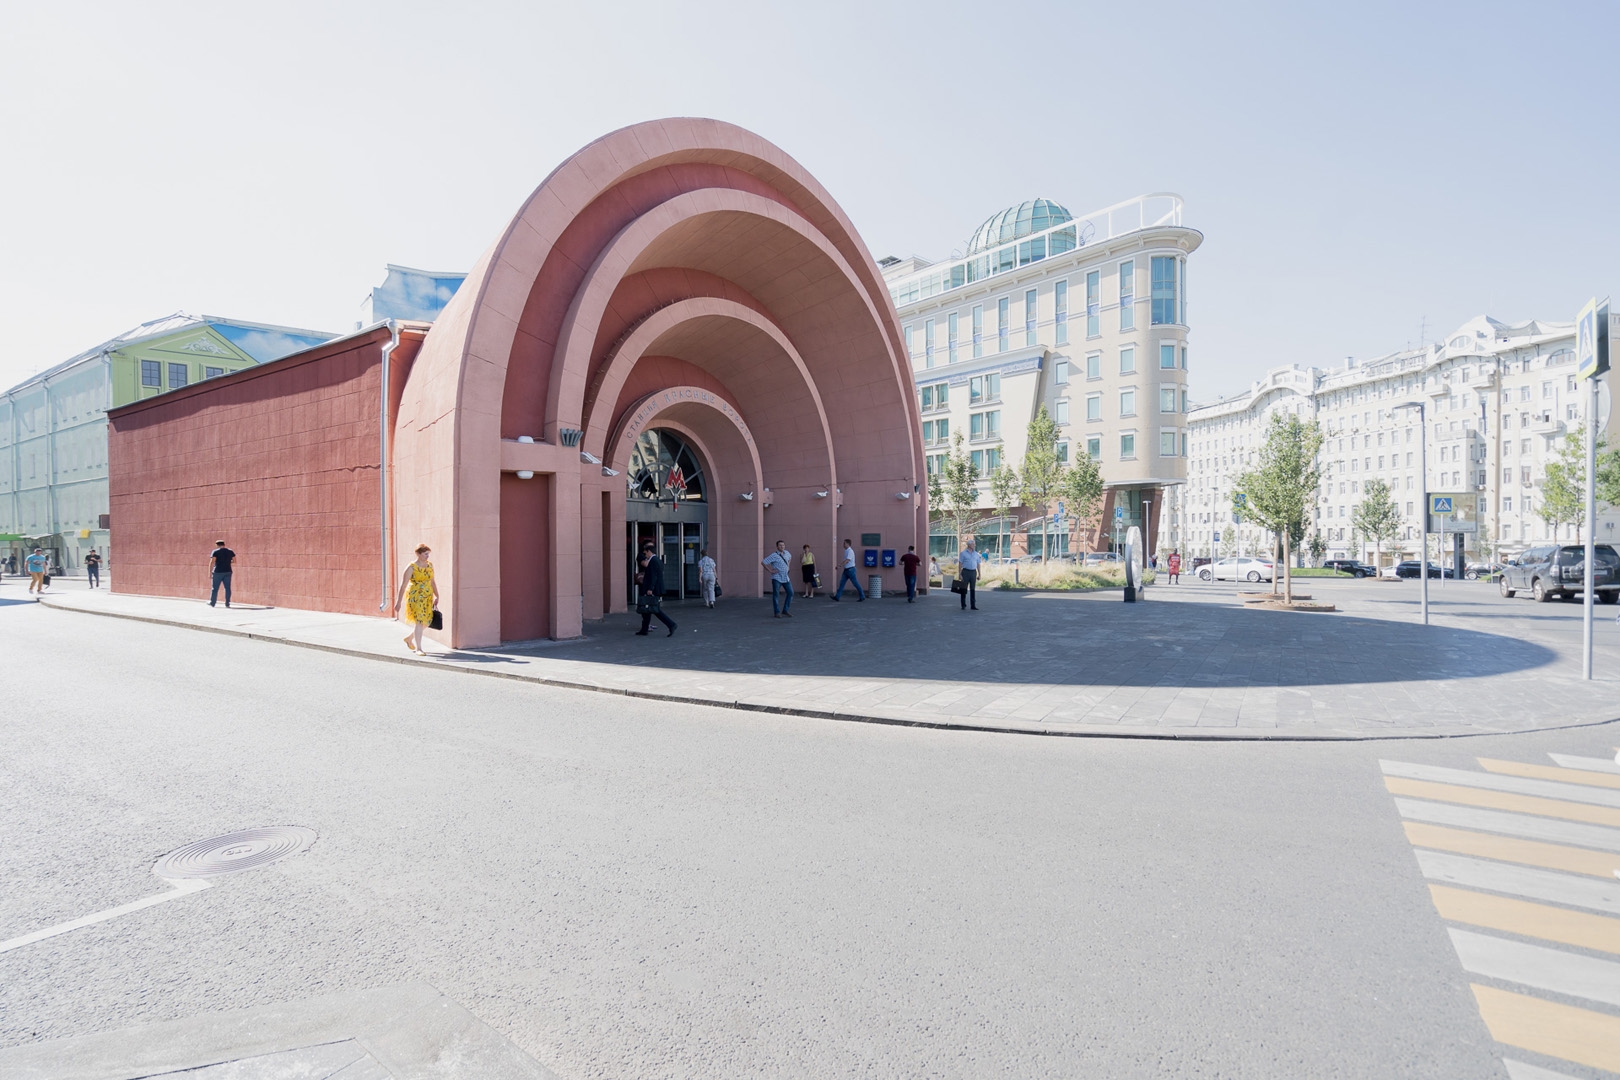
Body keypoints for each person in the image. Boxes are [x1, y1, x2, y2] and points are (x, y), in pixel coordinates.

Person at [393, 543, 439, 654]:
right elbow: (403, 585)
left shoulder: (430, 565)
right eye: (425, 554)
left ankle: (409, 638)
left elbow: (432, 582)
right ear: (418, 554)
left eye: (428, 554)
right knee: (419, 621)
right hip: (415, 597)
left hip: (427, 597)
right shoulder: (411, 567)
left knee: (427, 622)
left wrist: (437, 595)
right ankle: (419, 649)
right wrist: (398, 602)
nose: (427, 556)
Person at [635, 542, 678, 636]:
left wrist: (650, 589)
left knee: (655, 609)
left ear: (649, 551)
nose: (645, 555)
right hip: (654, 588)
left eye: (645, 553)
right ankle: (644, 630)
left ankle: (671, 624)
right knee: (648, 608)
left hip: (652, 589)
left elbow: (653, 576)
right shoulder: (657, 560)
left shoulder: (653, 561)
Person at [763, 540, 794, 618]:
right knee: (776, 595)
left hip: (786, 577)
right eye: (780, 545)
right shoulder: (774, 555)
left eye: (783, 545)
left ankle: (785, 610)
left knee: (791, 593)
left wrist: (788, 566)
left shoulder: (787, 553)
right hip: (777, 578)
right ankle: (777, 612)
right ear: (777, 547)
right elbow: (763, 562)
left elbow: (790, 557)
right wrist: (770, 570)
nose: (782, 546)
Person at [207, 541, 236, 607]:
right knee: (227, 588)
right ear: (224, 545)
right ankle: (227, 603)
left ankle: (213, 603)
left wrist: (210, 572)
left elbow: (212, 562)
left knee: (215, 588)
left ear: (217, 545)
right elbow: (234, 561)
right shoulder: (230, 551)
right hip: (228, 571)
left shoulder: (215, 552)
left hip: (217, 572)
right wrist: (227, 562)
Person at [957, 539, 984, 610]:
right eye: (972, 544)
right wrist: (959, 574)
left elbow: (978, 564)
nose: (974, 545)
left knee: (972, 589)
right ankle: (963, 605)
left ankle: (973, 605)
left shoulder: (976, 554)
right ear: (969, 545)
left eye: (974, 544)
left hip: (973, 572)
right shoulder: (963, 553)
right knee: (963, 589)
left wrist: (979, 574)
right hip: (965, 572)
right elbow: (960, 564)